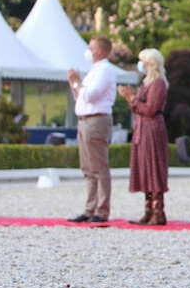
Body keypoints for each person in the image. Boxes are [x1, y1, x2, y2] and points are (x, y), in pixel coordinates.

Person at [66, 36, 117, 223]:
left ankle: (102, 210)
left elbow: (90, 95)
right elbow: (80, 97)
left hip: (97, 120)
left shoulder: (105, 70)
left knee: (99, 166)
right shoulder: (94, 70)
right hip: (84, 120)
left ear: (101, 51)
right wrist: (75, 83)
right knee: (87, 168)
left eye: (91, 48)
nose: (88, 51)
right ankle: (90, 208)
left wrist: (77, 82)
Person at [118, 48, 170, 225]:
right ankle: (148, 211)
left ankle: (158, 211)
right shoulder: (146, 82)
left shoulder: (158, 83)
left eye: (143, 61)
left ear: (150, 63)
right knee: (144, 168)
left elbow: (151, 109)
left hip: (152, 129)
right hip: (142, 128)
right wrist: (131, 98)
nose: (140, 64)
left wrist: (131, 98)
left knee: (153, 167)